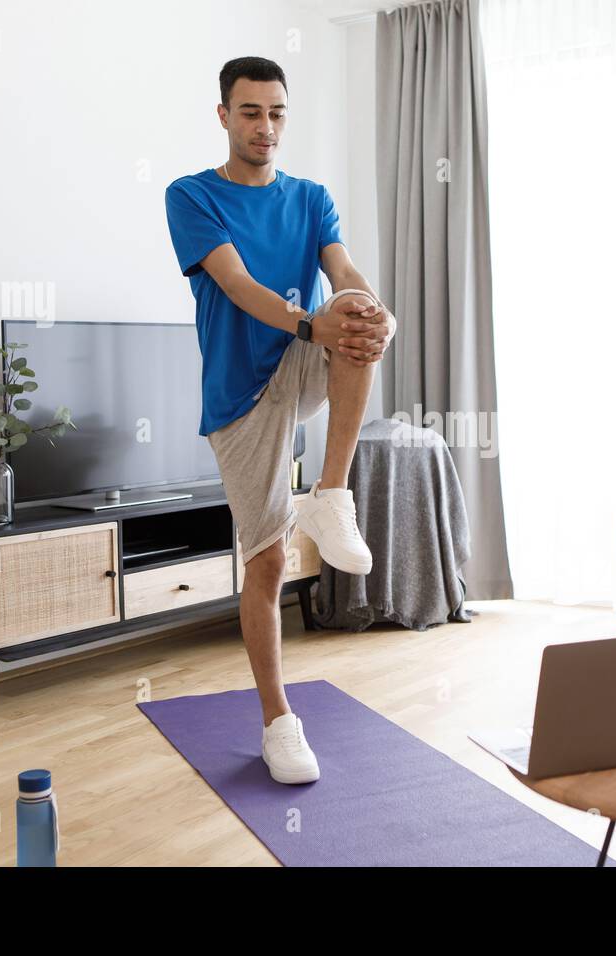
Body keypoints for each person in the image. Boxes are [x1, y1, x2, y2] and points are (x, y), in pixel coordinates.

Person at [164, 56, 396, 784]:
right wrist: (311, 329)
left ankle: (330, 496)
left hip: (302, 362)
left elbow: (344, 268)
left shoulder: (311, 196)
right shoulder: (192, 195)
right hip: (240, 396)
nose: (265, 127)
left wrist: (374, 310)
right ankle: (278, 722)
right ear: (224, 116)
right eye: (251, 112)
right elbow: (236, 285)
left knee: (359, 312)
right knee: (265, 560)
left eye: (276, 113)